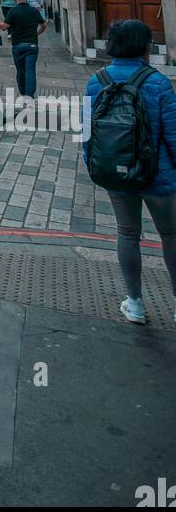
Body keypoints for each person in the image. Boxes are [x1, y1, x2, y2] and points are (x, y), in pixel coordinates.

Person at [84, 21, 176, 326]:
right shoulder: (158, 83)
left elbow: (87, 134)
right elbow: (173, 136)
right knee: (171, 234)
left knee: (127, 233)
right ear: (142, 46)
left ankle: (135, 303)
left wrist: (95, 167)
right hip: (158, 175)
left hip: (116, 173)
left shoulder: (95, 82)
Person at [0, 0, 46, 98]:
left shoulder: (13, 11)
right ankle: (29, 96)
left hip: (18, 45)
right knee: (30, 71)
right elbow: (43, 25)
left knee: (20, 71)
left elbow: (4, 27)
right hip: (32, 45)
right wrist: (37, 34)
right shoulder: (34, 11)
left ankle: (23, 93)